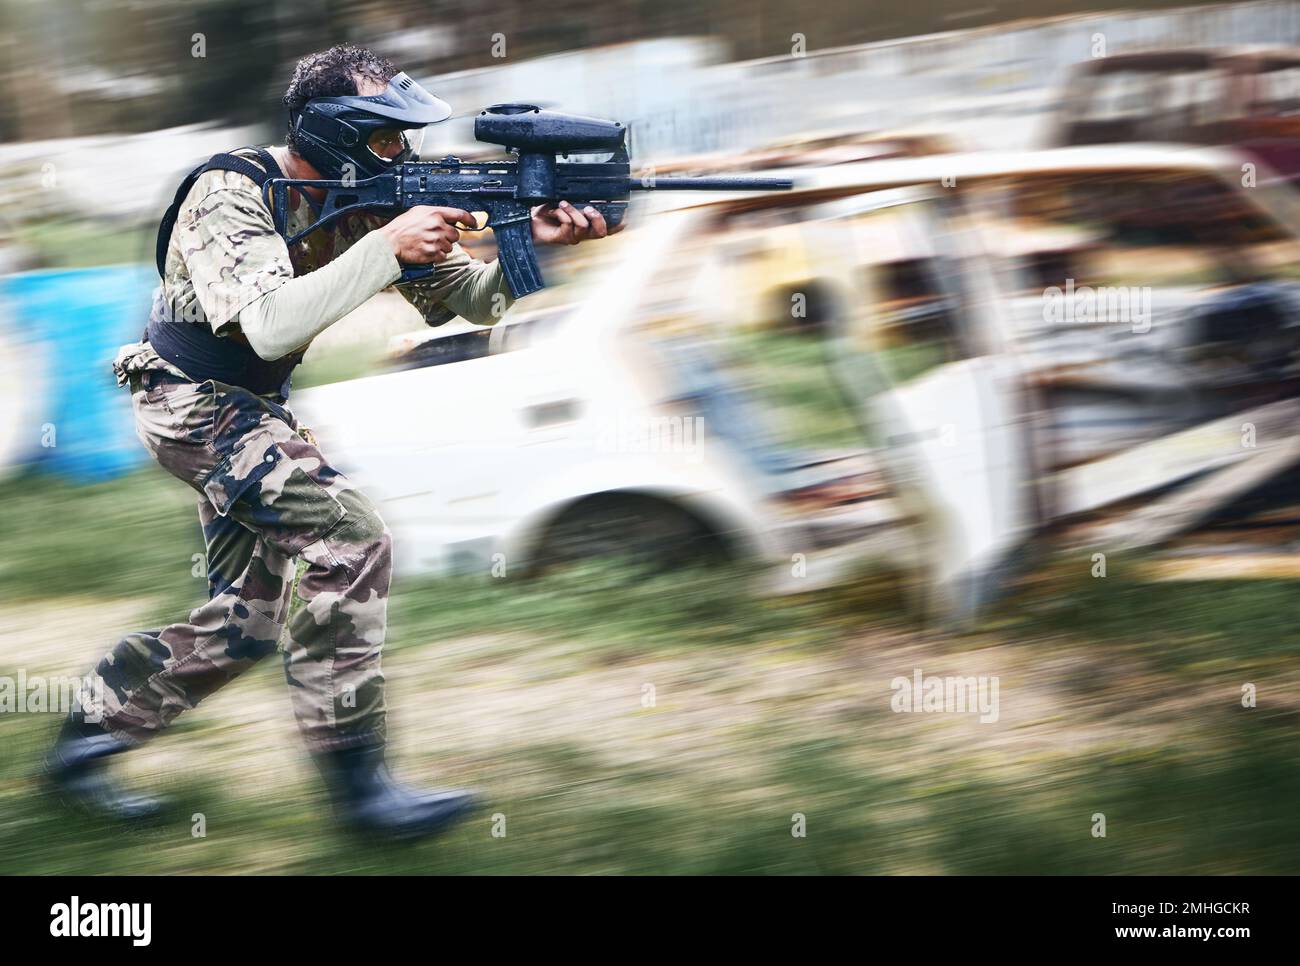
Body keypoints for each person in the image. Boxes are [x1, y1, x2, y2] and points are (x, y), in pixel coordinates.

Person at [44, 44, 620, 840]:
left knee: (246, 619)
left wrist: (540, 245)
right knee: (350, 538)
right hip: (186, 399)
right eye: (385, 137)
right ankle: (361, 792)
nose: (402, 154)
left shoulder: (372, 195)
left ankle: (85, 744)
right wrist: (387, 244)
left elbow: (473, 301)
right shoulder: (230, 190)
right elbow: (269, 321)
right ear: (334, 131)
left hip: (251, 405)